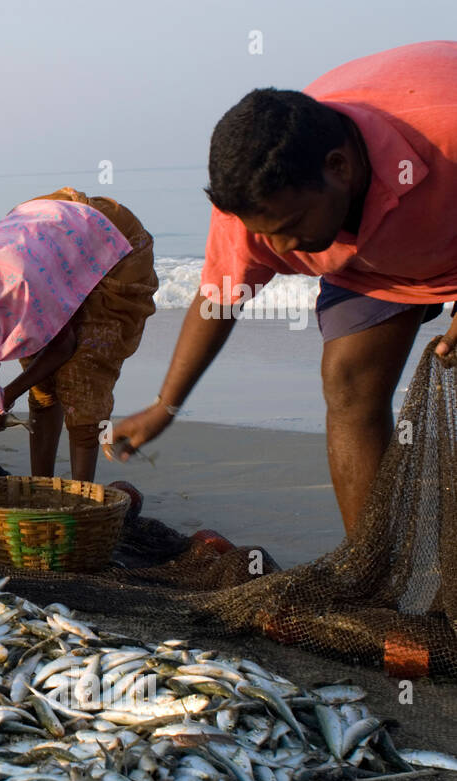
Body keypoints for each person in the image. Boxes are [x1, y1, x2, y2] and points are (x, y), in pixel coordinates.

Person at [111, 42, 457, 536]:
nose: (281, 247)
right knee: (347, 381)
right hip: (374, 263)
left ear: (340, 167)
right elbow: (219, 299)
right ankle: (371, 569)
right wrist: (163, 407)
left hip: (442, 200)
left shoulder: (446, 129)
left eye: (292, 224)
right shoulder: (251, 203)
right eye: (266, 232)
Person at [0, 189, 158, 519]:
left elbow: (62, 346)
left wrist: (5, 395)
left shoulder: (13, 285)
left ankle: (80, 508)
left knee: (82, 381)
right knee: (44, 386)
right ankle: (41, 490)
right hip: (48, 238)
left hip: (108, 239)